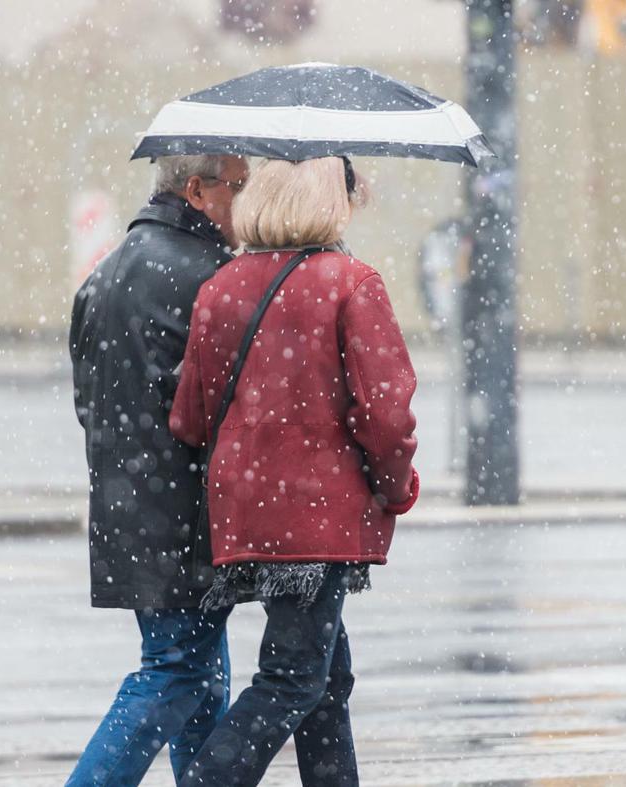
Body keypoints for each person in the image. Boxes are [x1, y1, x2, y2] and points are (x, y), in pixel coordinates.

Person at [170, 156, 419, 787]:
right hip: (321, 517)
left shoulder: (220, 287)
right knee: (291, 680)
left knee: (326, 683)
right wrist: (395, 488)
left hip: (248, 511)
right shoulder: (351, 283)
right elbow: (386, 416)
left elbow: (192, 419)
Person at [65, 153, 249, 786]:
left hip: (129, 508)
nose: (245, 202)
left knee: (198, 673)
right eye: (237, 187)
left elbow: (88, 405)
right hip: (185, 515)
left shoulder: (107, 271)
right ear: (196, 191)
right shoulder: (211, 277)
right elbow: (222, 407)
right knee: (178, 672)